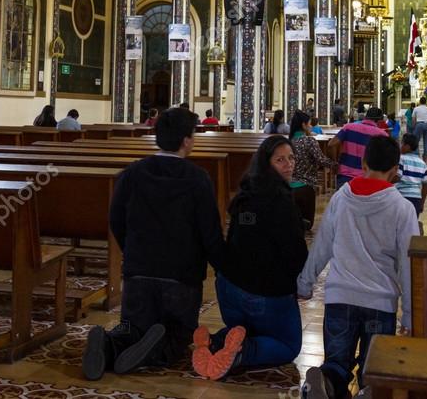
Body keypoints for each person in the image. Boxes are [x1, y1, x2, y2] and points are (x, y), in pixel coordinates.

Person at [83, 108, 225, 380]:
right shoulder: (197, 178)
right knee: (179, 335)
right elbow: (210, 231)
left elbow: (116, 218)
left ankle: (109, 345)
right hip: (181, 276)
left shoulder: (133, 172)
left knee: (131, 327)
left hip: (139, 271)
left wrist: (131, 251)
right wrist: (222, 267)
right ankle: (155, 350)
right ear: (186, 140)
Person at [298, 137, 419, 399]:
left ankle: (327, 382)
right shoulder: (403, 208)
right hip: (380, 302)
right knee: (372, 369)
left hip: (340, 297)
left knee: (336, 362)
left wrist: (305, 282)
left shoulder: (341, 198)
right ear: (395, 170)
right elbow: (408, 263)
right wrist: (410, 314)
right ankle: (369, 391)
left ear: (363, 163)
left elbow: (323, 244)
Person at [192, 136, 308, 380]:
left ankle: (215, 341)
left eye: (291, 158)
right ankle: (243, 352)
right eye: (280, 160)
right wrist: (296, 286)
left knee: (246, 328)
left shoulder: (245, 195)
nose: (289, 164)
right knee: (288, 346)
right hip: (262, 295)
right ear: (267, 164)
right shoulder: (281, 201)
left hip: (229, 290)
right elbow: (296, 255)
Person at [289, 110, 338, 229]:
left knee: (292, 224)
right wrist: (336, 165)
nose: (311, 126)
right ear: (303, 125)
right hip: (306, 187)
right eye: (309, 124)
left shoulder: (288, 142)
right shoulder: (309, 141)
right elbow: (321, 160)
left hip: (289, 188)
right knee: (307, 225)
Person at [327, 106, 389, 190]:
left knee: (343, 198)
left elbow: (331, 144)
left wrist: (335, 162)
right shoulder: (382, 135)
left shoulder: (348, 127)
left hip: (345, 175)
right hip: (368, 177)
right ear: (379, 121)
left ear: (366, 117)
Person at [395, 133, 427, 221]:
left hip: (401, 196)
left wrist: (386, 180)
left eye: (402, 144)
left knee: (398, 223)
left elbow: (397, 177)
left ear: (407, 146)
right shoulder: (422, 163)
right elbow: (425, 185)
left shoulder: (401, 159)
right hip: (416, 198)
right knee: (412, 223)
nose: (400, 146)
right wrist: (422, 203)